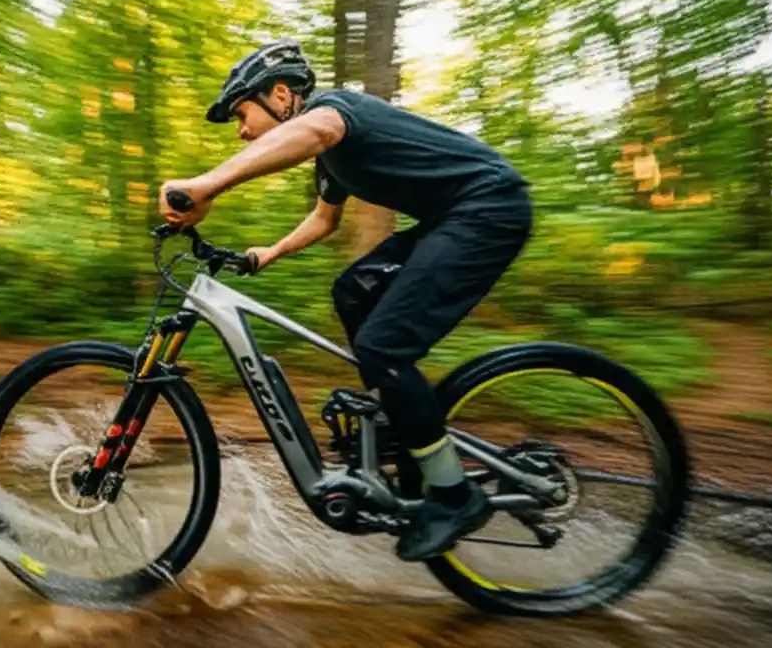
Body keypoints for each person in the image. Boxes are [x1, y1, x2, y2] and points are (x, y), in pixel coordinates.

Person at [158, 39, 534, 561]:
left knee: (383, 347)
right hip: (451, 219)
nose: (241, 132)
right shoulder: (332, 158)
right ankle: (407, 426)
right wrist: (269, 253)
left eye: (243, 114)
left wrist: (208, 184)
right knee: (351, 289)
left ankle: (454, 495)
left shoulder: (334, 112)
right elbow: (324, 219)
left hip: (488, 209)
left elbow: (318, 130)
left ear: (282, 95)